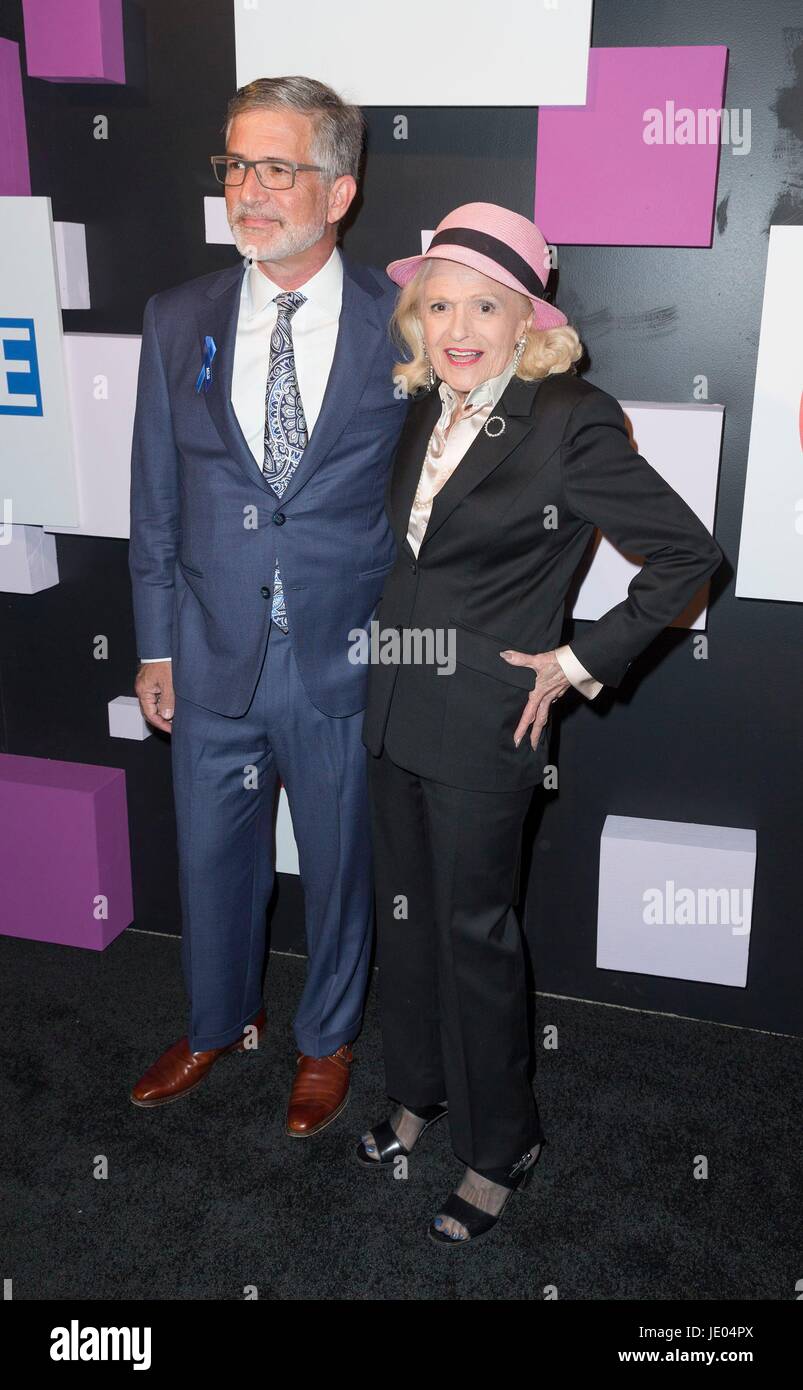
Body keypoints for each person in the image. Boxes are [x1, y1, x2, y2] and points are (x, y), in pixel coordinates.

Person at [356, 203, 724, 1244]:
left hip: (485, 725)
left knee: (473, 939)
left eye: (483, 304)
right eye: (437, 305)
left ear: (529, 319)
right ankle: (418, 1093)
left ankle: (498, 1141)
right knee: (408, 923)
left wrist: (575, 662)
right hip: (390, 703)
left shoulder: (568, 414)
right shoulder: (427, 406)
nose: (457, 326)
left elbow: (686, 557)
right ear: (416, 319)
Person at [127, 77, 407, 1135]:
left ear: (336, 191)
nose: (248, 190)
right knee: (209, 860)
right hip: (207, 650)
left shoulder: (403, 321)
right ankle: (214, 1020)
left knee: (340, 868)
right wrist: (152, 643)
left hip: (340, 652)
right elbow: (155, 494)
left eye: (276, 168)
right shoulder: (175, 317)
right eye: (235, 165)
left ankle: (324, 1040)